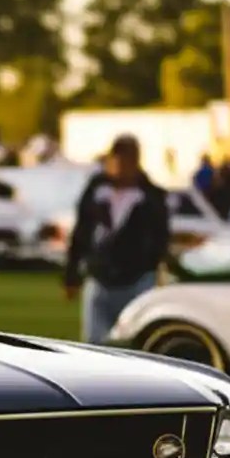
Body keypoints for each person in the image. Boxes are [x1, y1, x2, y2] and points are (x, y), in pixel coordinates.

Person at [64, 135, 170, 344]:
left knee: (134, 342)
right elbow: (82, 231)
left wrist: (156, 265)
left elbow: (160, 236)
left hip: (136, 278)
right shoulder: (96, 191)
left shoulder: (150, 196)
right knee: (94, 342)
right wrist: (71, 274)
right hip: (100, 276)